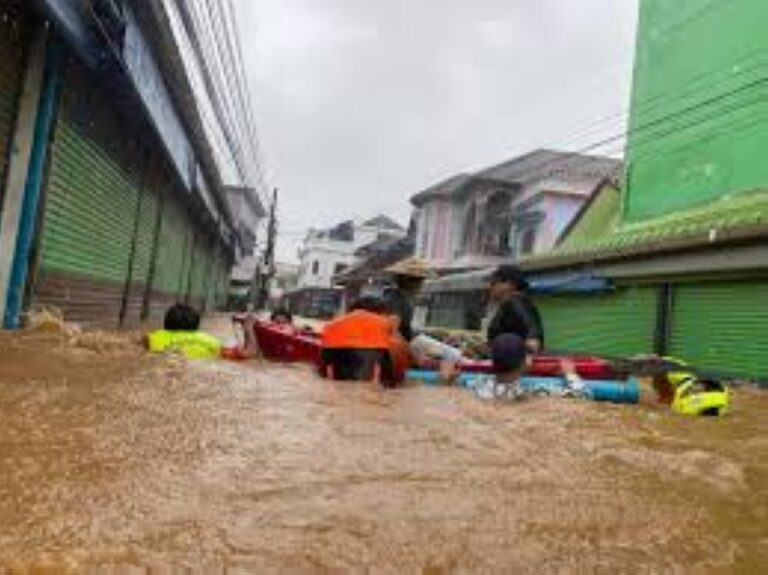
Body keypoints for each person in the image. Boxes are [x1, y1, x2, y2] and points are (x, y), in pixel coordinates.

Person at [319, 296, 413, 385]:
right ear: (380, 312)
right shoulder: (385, 325)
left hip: (336, 382)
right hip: (375, 385)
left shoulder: (330, 326)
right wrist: (395, 330)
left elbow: (323, 367)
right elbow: (404, 364)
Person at [146, 303, 258, 360]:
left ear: (166, 324)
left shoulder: (152, 338)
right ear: (196, 326)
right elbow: (248, 354)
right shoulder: (209, 343)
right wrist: (249, 329)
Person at [485, 264, 544, 354]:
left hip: (514, 360)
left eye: (493, 283)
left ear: (509, 284)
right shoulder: (508, 303)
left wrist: (533, 338)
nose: (490, 287)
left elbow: (528, 321)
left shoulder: (514, 300)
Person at [383, 258, 432, 341]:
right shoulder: (397, 299)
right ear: (408, 281)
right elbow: (394, 330)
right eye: (420, 281)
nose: (421, 285)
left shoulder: (393, 295)